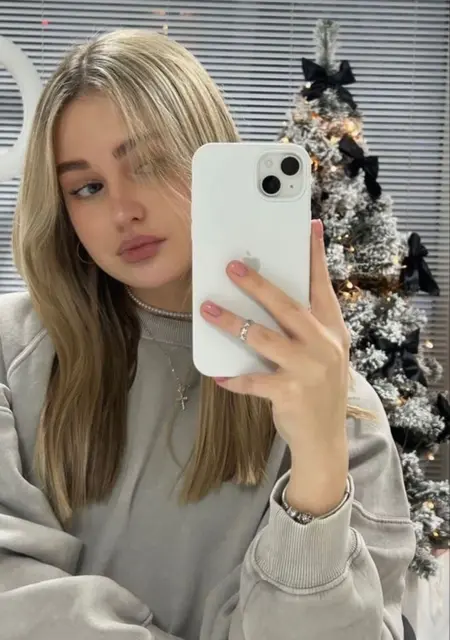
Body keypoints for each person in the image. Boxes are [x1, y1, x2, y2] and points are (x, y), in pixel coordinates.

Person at [0, 28, 416, 640]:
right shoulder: (12, 353)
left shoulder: (332, 399)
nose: (123, 210)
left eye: (149, 164)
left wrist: (319, 471)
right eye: (87, 187)